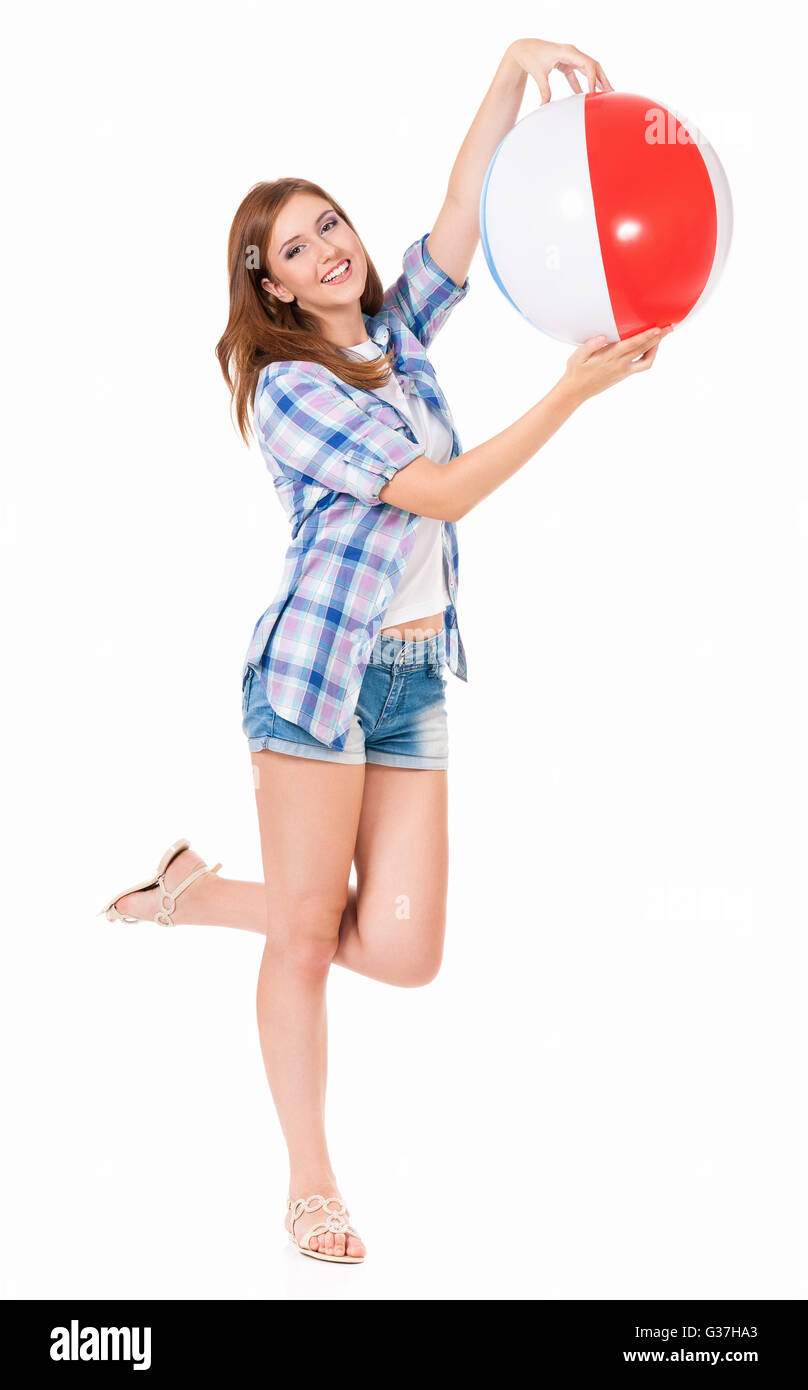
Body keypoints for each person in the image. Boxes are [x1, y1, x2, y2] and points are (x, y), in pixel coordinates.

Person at [98, 38, 673, 1265]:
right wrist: (571, 394)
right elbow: (442, 492)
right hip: (316, 682)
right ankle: (310, 1182)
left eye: (331, 225)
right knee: (309, 941)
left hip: (411, 681)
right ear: (271, 285)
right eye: (297, 247)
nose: (329, 250)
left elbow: (461, 216)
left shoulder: (395, 336)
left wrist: (513, 68)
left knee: (404, 951)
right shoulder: (292, 387)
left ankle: (193, 895)